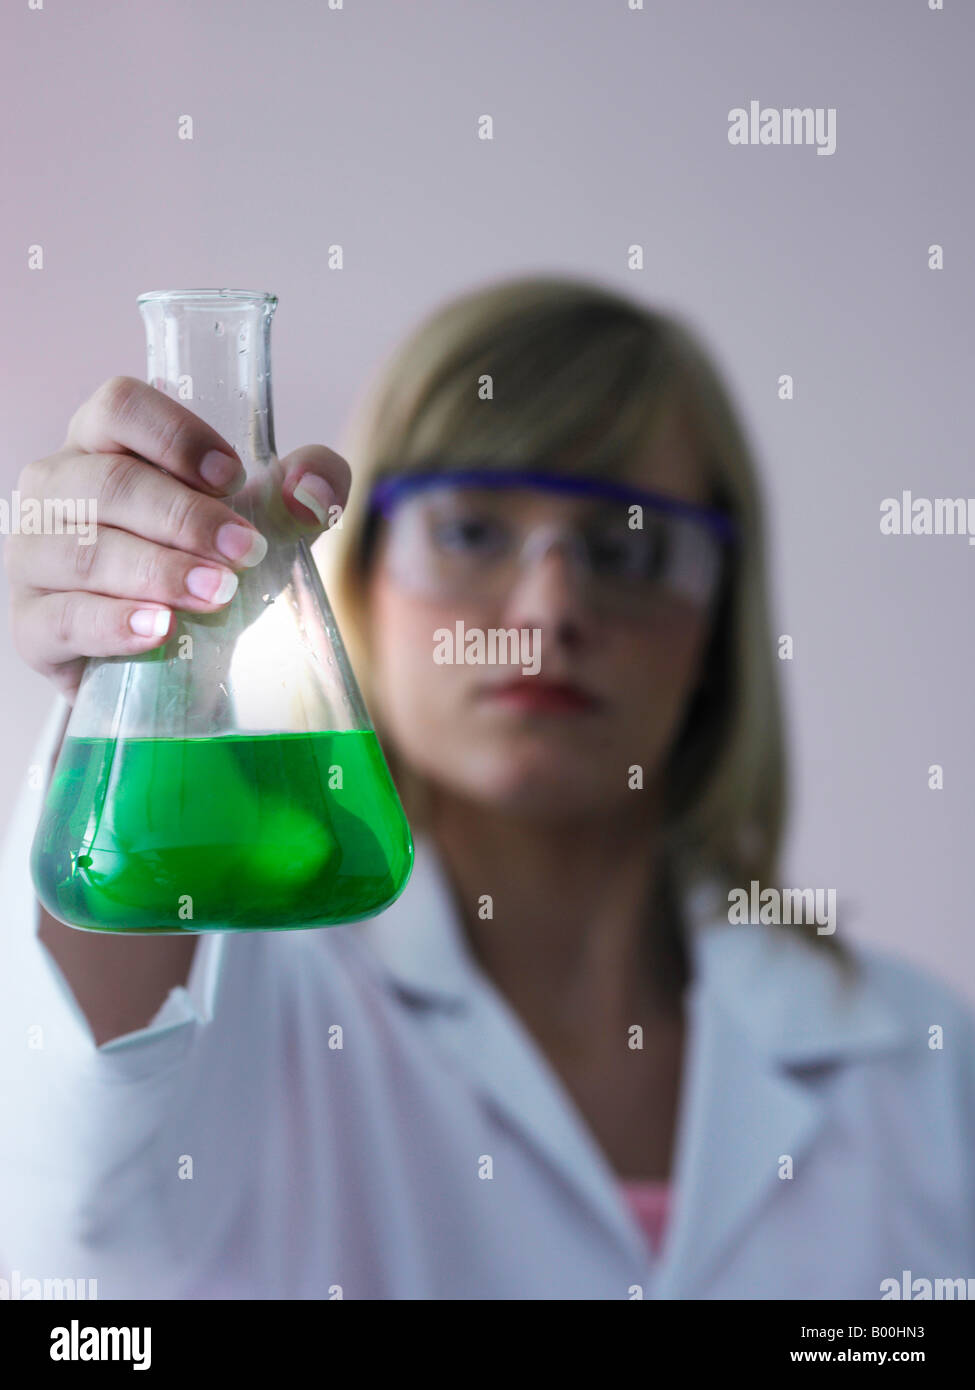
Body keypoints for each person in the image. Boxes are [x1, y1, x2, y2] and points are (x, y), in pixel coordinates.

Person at [1, 275, 972, 1300]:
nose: (547, 611)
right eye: (470, 532)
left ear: (719, 629)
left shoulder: (920, 1067)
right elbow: (77, 1207)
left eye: (628, 546)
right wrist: (160, 653)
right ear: (361, 569)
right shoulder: (248, 999)